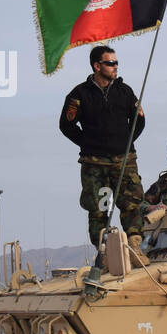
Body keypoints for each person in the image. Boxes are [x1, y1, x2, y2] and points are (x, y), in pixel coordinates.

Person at [58, 45, 146, 254]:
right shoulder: (79, 94)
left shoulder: (125, 92)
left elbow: (139, 122)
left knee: (131, 204)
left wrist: (124, 143)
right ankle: (104, 253)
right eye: (110, 63)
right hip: (94, 164)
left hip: (123, 161)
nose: (115, 67)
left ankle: (135, 247)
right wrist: (87, 143)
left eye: (116, 63)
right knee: (99, 209)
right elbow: (66, 125)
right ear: (97, 66)